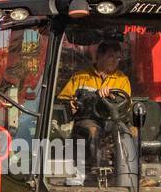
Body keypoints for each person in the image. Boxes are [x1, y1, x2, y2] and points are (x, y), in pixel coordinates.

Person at [57, 38, 132, 179]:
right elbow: (63, 99)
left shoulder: (122, 79)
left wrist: (112, 97)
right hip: (87, 119)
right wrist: (70, 104)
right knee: (93, 130)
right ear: (98, 57)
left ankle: (131, 174)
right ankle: (96, 171)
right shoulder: (80, 77)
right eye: (111, 56)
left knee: (130, 133)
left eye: (118, 57)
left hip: (113, 121)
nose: (115, 60)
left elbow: (126, 105)